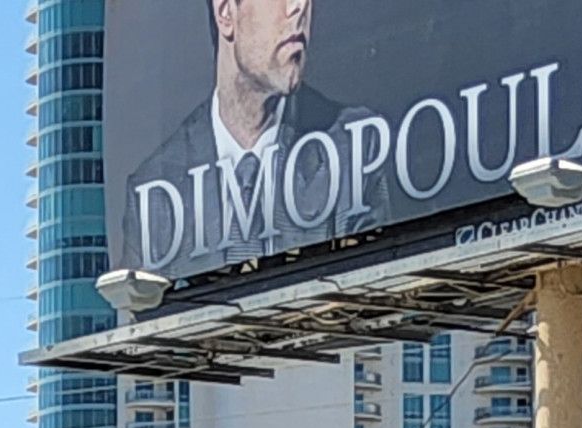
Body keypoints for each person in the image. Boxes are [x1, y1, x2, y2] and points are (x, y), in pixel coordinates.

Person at [118, 0, 388, 280]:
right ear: (225, 12)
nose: (300, 7)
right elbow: (146, 315)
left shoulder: (354, 145)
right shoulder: (154, 192)